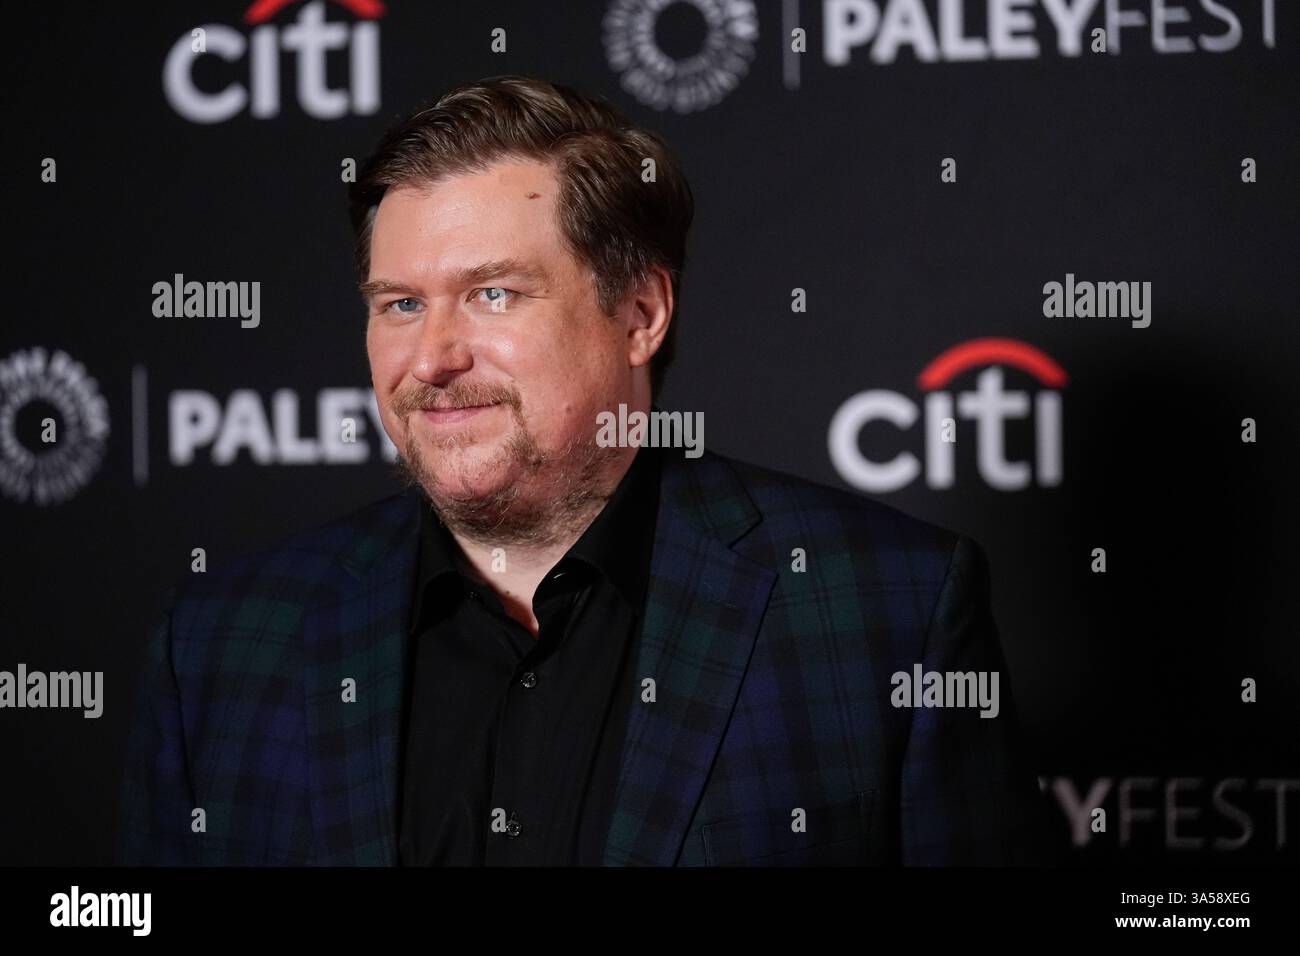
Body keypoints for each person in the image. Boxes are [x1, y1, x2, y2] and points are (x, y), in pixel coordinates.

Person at [117, 74, 1052, 866]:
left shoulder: (884, 613)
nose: (433, 357)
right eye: (400, 303)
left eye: (492, 294)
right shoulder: (222, 643)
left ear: (641, 312)